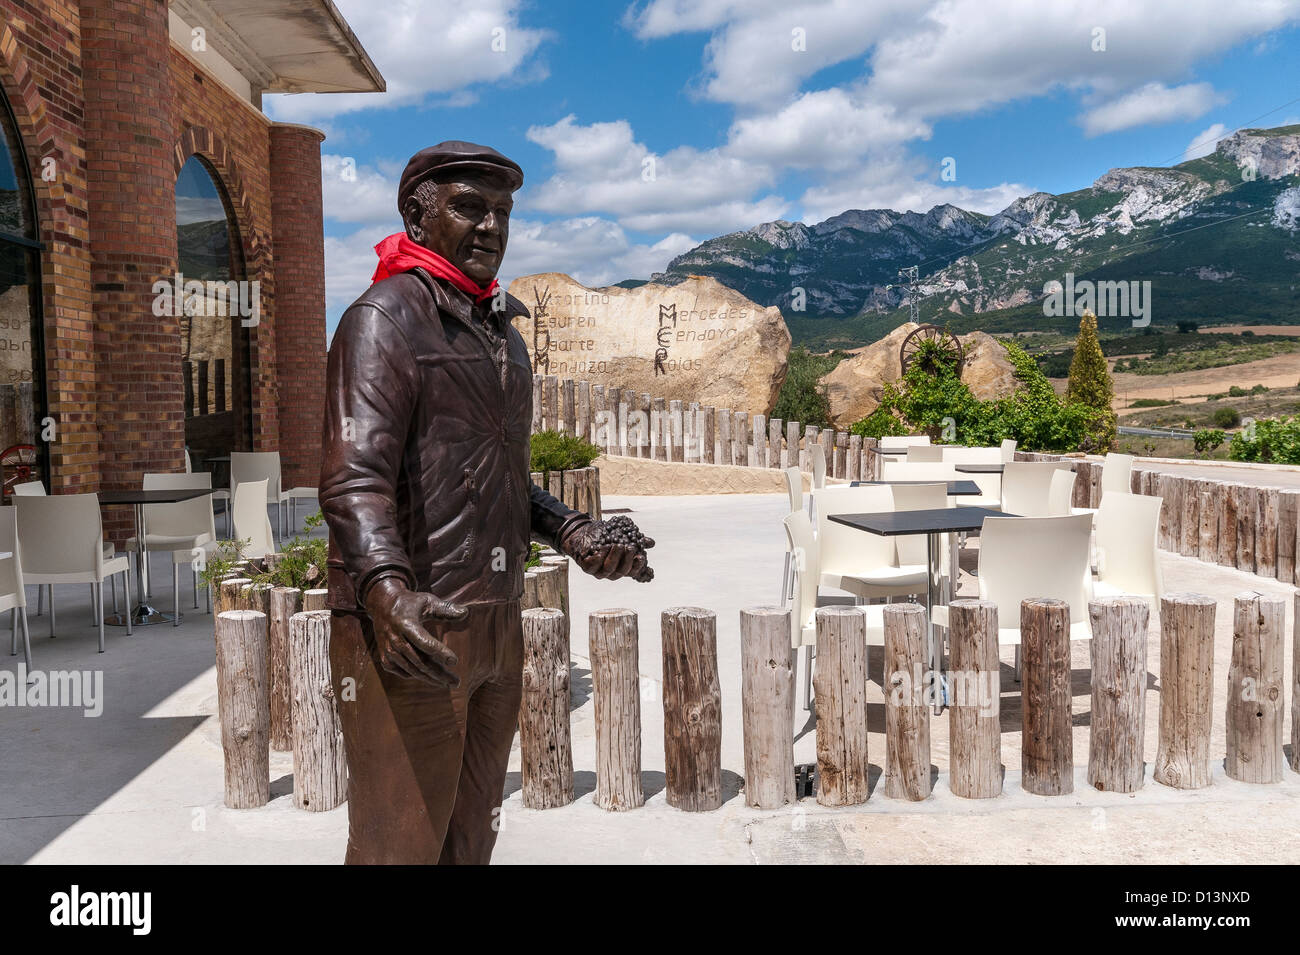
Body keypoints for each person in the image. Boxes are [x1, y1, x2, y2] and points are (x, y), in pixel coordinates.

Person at [319, 141, 653, 864]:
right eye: (471, 207)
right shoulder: (383, 320)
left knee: (470, 843)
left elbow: (504, 476)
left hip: (495, 630)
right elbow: (353, 481)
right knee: (396, 849)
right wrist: (385, 590)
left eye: (502, 211)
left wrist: (575, 531)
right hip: (412, 631)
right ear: (417, 213)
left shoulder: (502, 334)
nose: (492, 226)